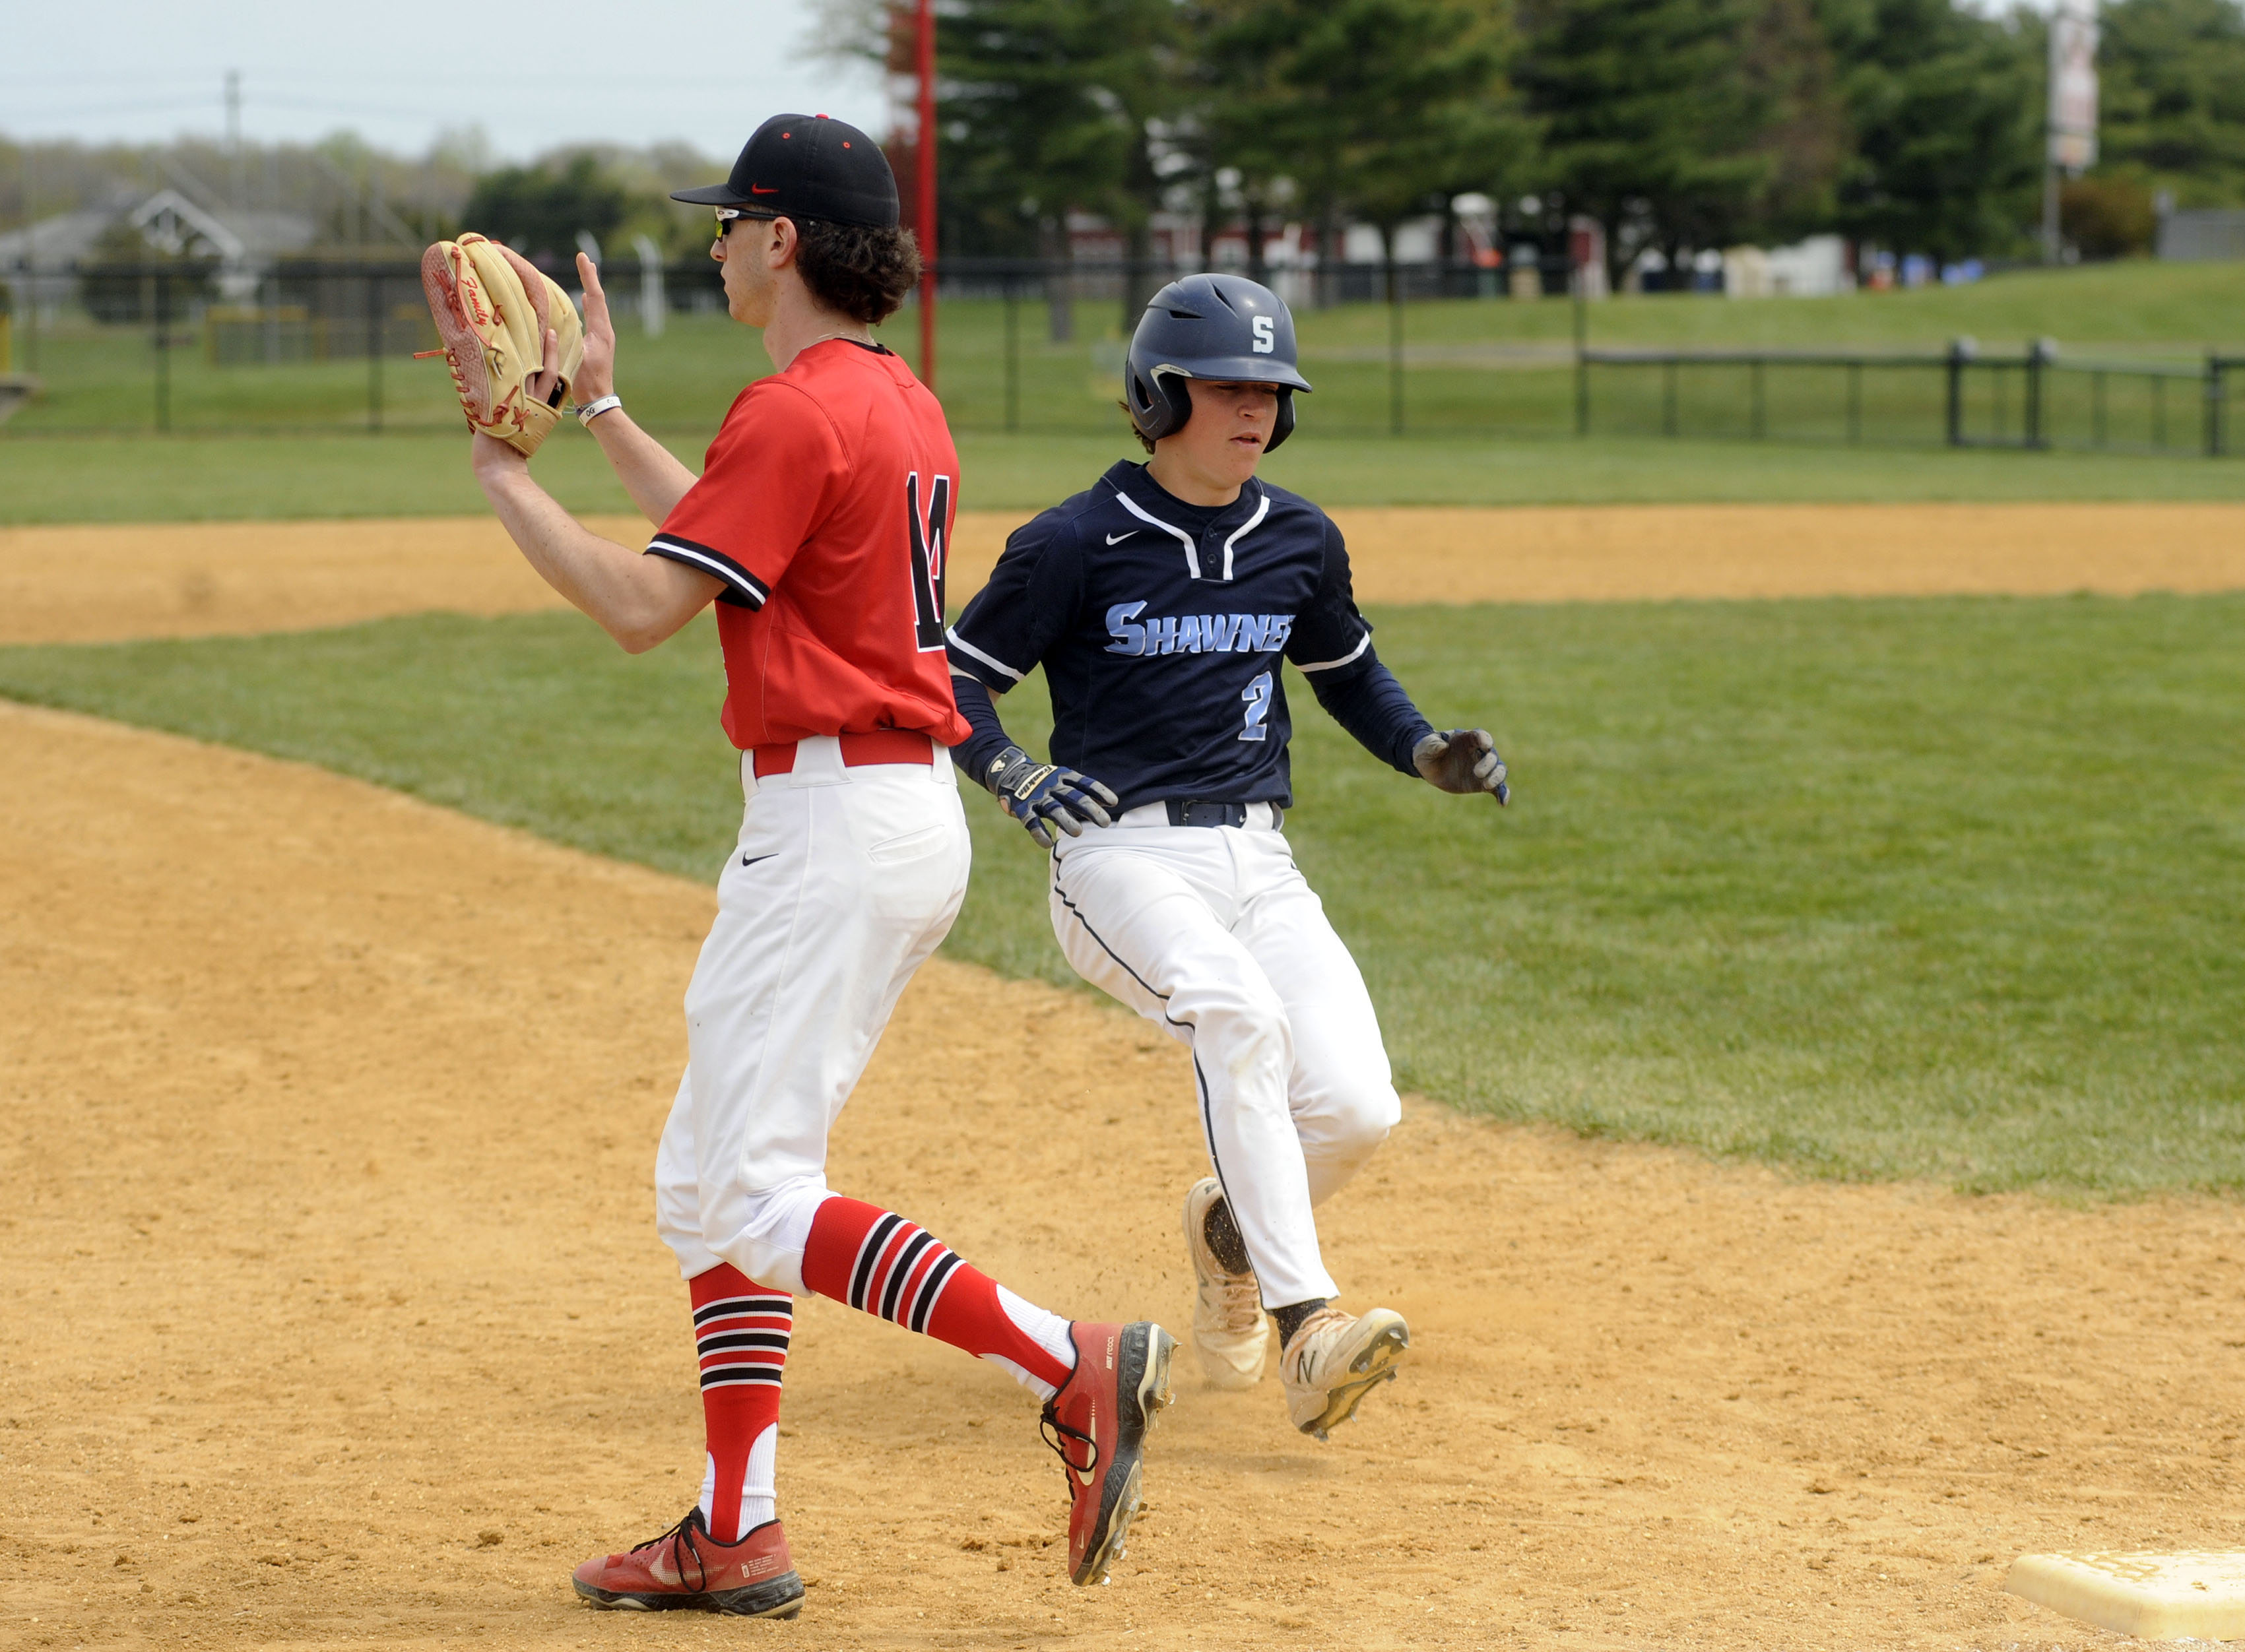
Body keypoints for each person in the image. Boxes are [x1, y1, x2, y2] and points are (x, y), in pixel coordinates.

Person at [459, 113, 1174, 1619]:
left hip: (833, 821)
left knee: (751, 1191)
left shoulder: (790, 413)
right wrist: (596, 414)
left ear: (781, 241)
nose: (714, 242)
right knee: (711, 1184)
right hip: (883, 814)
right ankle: (738, 1528)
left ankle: (1066, 1360)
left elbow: (645, 608)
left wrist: (500, 476)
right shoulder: (894, 403)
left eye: (730, 222)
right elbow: (737, 538)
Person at [942, 274, 1508, 1441]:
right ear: (1157, 398)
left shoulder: (1296, 536)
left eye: (1268, 391)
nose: (1251, 411)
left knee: (1357, 1111)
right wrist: (1013, 771)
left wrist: (1421, 750)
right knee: (1237, 1016)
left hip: (1259, 856)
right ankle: (1310, 1326)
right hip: (1118, 860)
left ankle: (1228, 1237)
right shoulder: (1071, 542)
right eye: (1222, 388)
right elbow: (949, 680)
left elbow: (1346, 672)